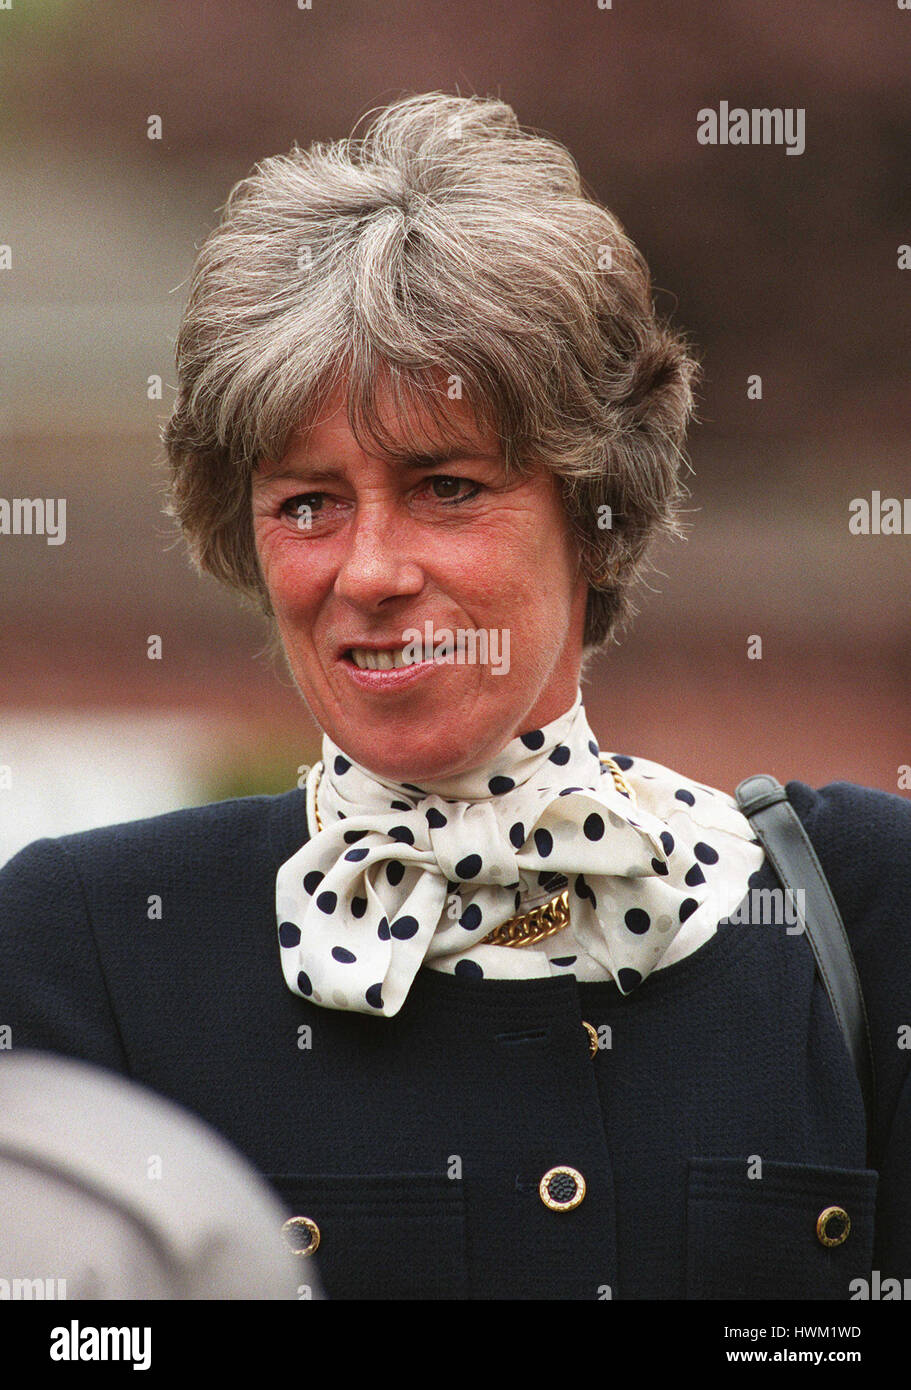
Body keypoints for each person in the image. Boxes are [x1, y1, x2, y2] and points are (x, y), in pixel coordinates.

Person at [1, 91, 909, 1300]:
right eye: (308, 501)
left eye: (444, 485)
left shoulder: (863, 909)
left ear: (596, 510)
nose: (368, 571)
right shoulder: (83, 944)